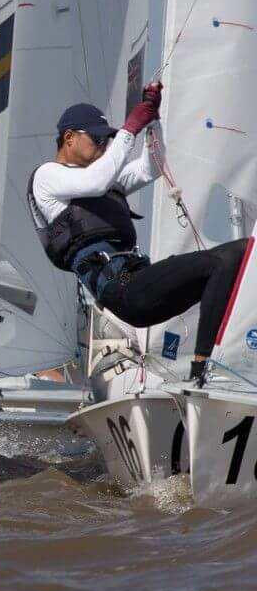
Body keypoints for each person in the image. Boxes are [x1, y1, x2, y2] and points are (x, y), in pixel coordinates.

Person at [29, 83, 250, 385]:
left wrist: (152, 119)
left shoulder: (104, 179)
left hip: (141, 283)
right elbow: (96, 181)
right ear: (69, 138)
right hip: (123, 291)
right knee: (218, 263)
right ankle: (202, 371)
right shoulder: (48, 177)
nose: (104, 146)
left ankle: (235, 366)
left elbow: (150, 168)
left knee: (243, 252)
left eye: (107, 140)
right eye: (97, 139)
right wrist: (129, 129)